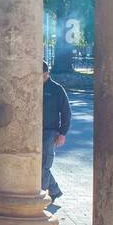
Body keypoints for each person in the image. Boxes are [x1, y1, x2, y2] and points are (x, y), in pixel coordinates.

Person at [42, 60, 71, 204]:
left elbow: (66, 112)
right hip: (34, 132)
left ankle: (40, 196)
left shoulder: (57, 89)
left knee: (44, 166)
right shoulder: (33, 87)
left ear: (47, 74)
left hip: (50, 132)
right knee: (38, 165)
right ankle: (54, 190)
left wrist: (62, 133)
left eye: (40, 75)